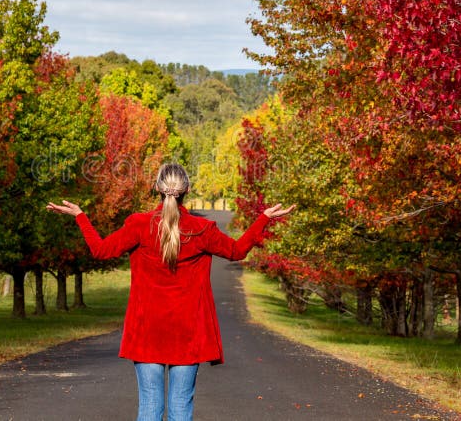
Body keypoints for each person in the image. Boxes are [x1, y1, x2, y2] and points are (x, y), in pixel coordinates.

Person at [46, 163, 295, 421]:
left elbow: (101, 250)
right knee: (180, 409)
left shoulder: (139, 225)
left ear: (156, 188)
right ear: (187, 189)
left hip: (146, 333)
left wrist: (80, 216)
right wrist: (264, 218)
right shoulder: (202, 230)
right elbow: (236, 251)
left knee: (150, 408)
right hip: (188, 335)